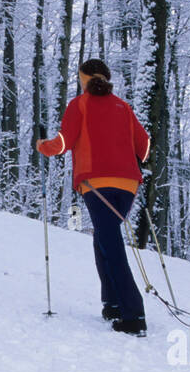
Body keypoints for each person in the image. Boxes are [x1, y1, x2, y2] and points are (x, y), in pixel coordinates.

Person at [36, 59, 151, 336]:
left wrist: (43, 146)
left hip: (96, 183)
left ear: (85, 78)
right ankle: (111, 304)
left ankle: (134, 315)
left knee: (110, 243)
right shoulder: (123, 107)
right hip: (127, 186)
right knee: (104, 238)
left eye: (79, 78)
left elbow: (63, 143)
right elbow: (145, 146)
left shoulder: (80, 104)